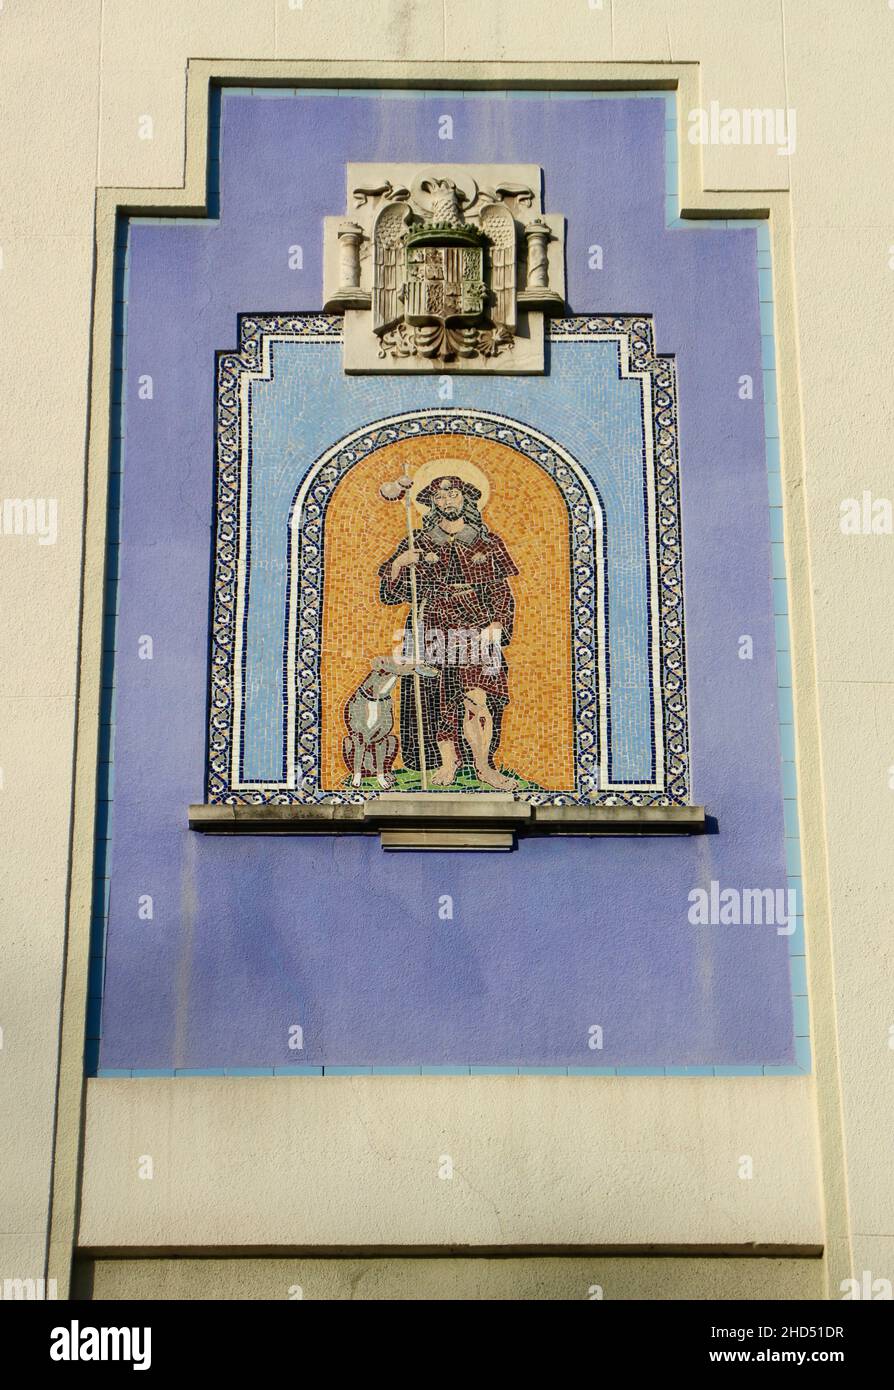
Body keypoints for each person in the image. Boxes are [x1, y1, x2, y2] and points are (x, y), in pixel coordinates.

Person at [378, 471, 519, 790]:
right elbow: (390, 594)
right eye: (440, 497)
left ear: (466, 498)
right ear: (431, 503)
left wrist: (498, 622)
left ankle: (484, 767)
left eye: (453, 495)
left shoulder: (486, 541)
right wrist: (401, 562)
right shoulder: (419, 541)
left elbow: (500, 589)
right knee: (439, 699)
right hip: (434, 622)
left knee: (477, 696)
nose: (447, 501)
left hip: (476, 623)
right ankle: (447, 765)